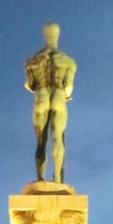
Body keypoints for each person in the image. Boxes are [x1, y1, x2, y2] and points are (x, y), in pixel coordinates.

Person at [24, 23, 77, 183]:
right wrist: (67, 94)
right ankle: (58, 179)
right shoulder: (68, 62)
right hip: (59, 97)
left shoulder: (33, 61)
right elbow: (68, 87)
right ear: (57, 36)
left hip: (41, 95)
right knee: (58, 137)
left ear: (44, 35)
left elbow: (31, 85)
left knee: (41, 141)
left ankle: (40, 177)